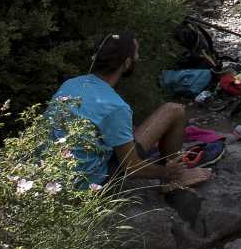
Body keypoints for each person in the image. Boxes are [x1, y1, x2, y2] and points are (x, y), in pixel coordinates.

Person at [46, 33, 212, 189]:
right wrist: (167, 172)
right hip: (88, 184)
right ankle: (176, 178)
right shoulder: (115, 107)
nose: (138, 58)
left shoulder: (71, 84)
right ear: (126, 63)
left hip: (54, 174)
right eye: (136, 54)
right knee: (174, 110)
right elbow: (132, 168)